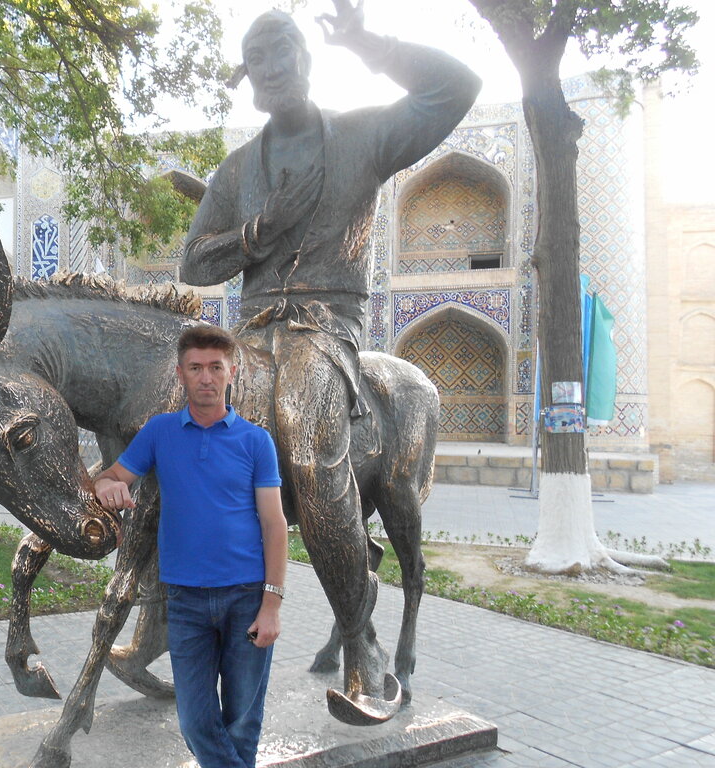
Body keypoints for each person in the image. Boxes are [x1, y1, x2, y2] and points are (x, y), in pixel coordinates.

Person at [181, 1, 481, 723]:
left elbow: (457, 87)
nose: (276, 69)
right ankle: (156, 631)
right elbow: (195, 261)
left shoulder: (362, 137)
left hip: (324, 326)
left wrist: (369, 42)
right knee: (173, 433)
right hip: (251, 334)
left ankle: (362, 642)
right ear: (249, 78)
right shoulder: (237, 169)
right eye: (261, 60)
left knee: (311, 450)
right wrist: (257, 231)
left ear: (307, 61)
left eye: (286, 53)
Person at [94, 324, 287, 768]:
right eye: (196, 368)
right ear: (180, 373)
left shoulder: (256, 441)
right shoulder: (160, 433)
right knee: (195, 722)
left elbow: (275, 524)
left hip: (247, 597)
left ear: (231, 373)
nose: (206, 377)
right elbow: (110, 476)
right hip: (184, 602)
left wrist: (272, 603)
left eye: (215, 367)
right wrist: (108, 487)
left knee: (241, 721)